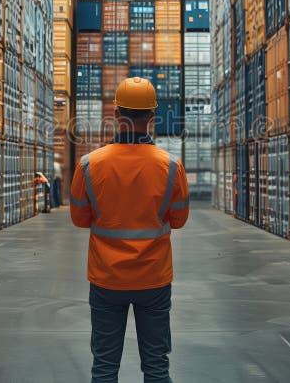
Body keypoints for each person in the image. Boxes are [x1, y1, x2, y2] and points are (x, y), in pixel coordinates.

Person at [70, 77, 190, 383]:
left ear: (115, 114)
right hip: (154, 278)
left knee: (105, 366)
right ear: (152, 118)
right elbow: (178, 220)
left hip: (106, 278)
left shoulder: (88, 165)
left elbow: (80, 219)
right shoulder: (172, 167)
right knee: (156, 364)